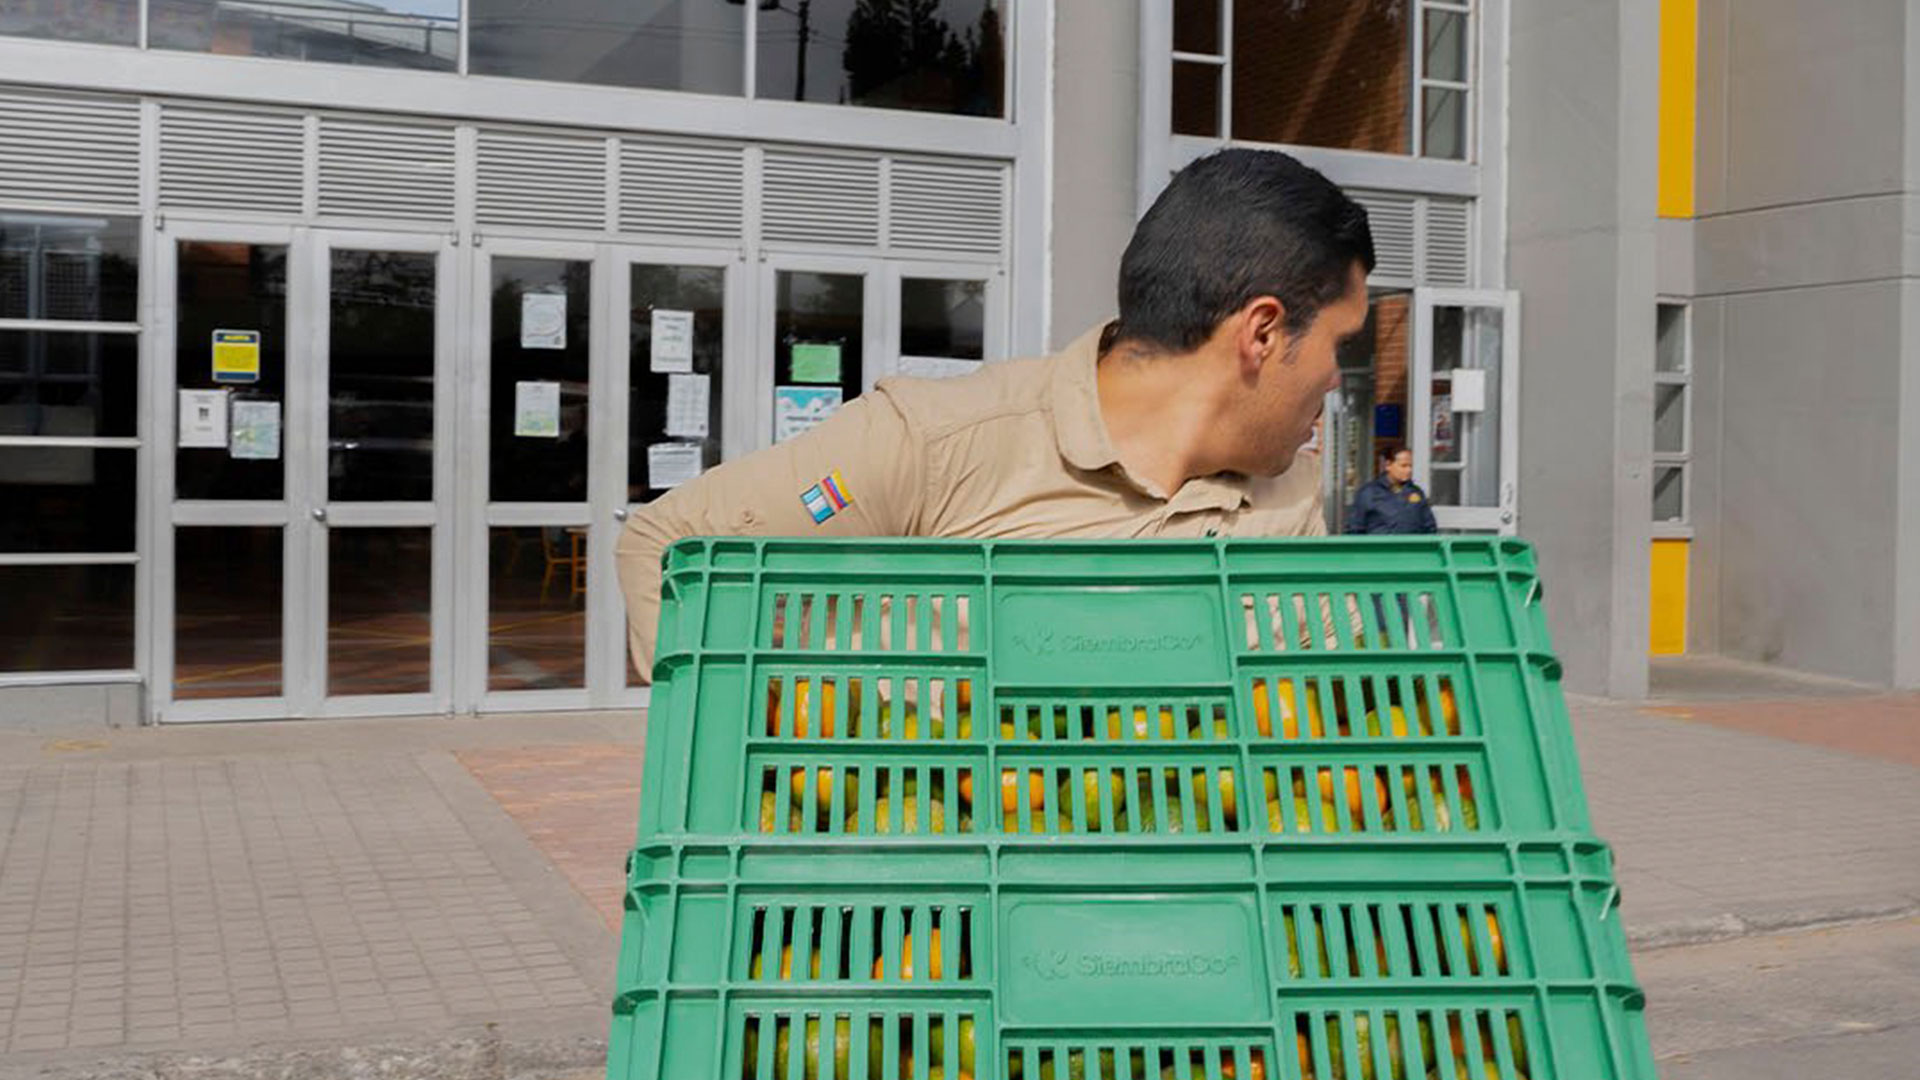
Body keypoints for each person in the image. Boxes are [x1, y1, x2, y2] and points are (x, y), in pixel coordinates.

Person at [616, 148, 1376, 679]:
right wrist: (752, 752)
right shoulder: (934, 444)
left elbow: (1334, 717)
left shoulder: (1290, 503)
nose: (1335, 379)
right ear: (1262, 333)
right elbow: (671, 545)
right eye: (1339, 344)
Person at [1345, 445, 1438, 535]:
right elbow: (1355, 528)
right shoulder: (1369, 493)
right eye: (1403, 466)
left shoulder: (1416, 492)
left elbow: (1429, 527)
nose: (1409, 470)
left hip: (1412, 545)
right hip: (1380, 545)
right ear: (1388, 465)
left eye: (1410, 466)